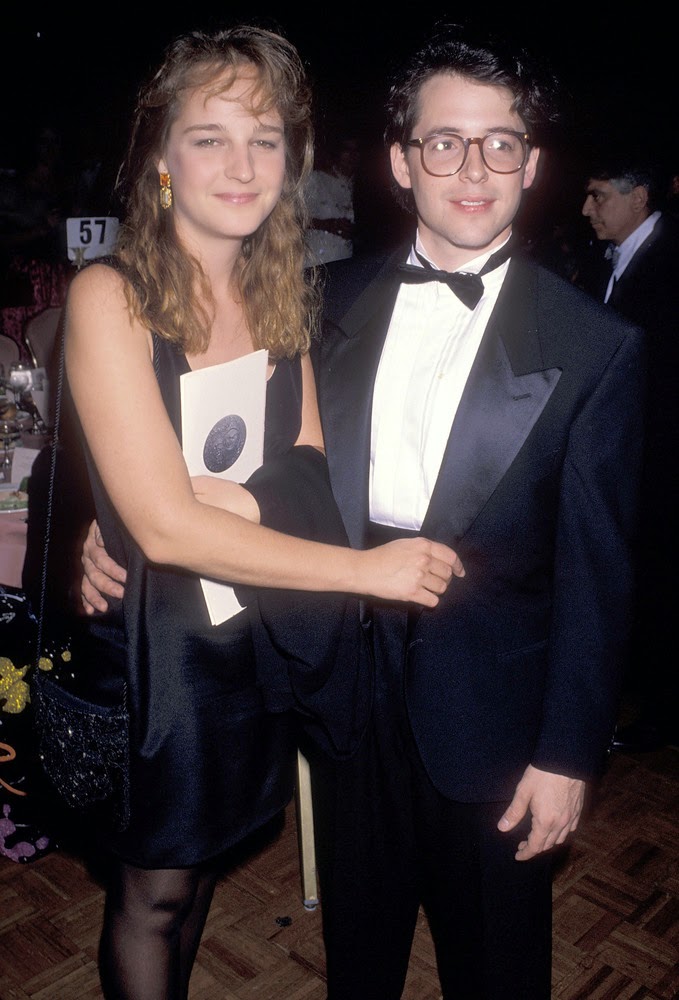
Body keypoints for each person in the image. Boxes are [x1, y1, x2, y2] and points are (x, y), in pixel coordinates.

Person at [82, 23, 645, 999]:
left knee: (496, 969)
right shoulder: (323, 299)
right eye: (442, 141)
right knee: (358, 959)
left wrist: (564, 753)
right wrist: (124, 514)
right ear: (398, 160)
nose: (471, 167)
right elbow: (268, 467)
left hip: (492, 724)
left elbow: (602, 572)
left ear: (532, 162)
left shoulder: (596, 344)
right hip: (336, 697)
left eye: (499, 142)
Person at [63, 24, 462, 1000]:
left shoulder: (281, 287)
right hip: (166, 660)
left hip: (257, 637)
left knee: (197, 878)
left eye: (265, 138)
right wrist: (369, 570)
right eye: (210, 136)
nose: (241, 164)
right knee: (152, 893)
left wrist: (238, 491)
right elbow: (162, 529)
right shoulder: (109, 295)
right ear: (161, 155)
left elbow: (311, 463)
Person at [581, 153, 679, 752]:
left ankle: (664, 716)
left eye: (598, 195)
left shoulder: (671, 263)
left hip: (662, 453)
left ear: (638, 196)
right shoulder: (607, 261)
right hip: (625, 452)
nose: (586, 209)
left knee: (663, 581)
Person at [305, 132, 360, 264]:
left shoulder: (362, 189)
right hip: (315, 262)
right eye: (347, 150)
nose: (352, 156)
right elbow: (293, 220)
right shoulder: (316, 180)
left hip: (345, 263)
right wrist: (328, 224)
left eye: (356, 151)